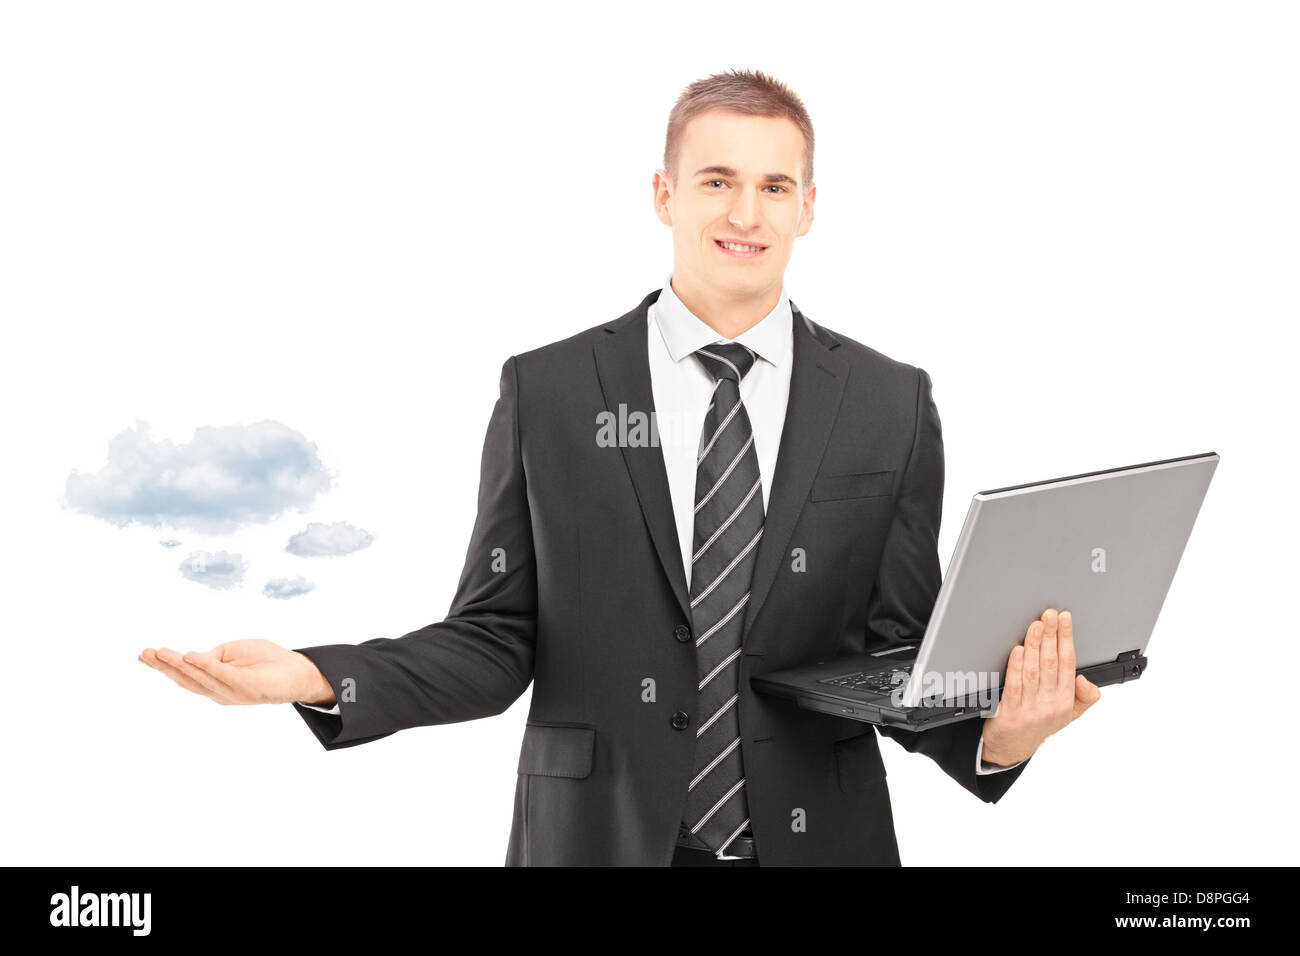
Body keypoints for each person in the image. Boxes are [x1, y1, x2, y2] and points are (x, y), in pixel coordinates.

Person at [140, 68, 1101, 866]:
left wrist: (1009, 730)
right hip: (596, 841)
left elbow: (894, 657)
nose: (745, 212)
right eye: (717, 180)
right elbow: (493, 639)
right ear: (663, 194)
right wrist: (318, 673)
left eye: (775, 187)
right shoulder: (551, 391)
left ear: (810, 207)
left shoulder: (890, 402)